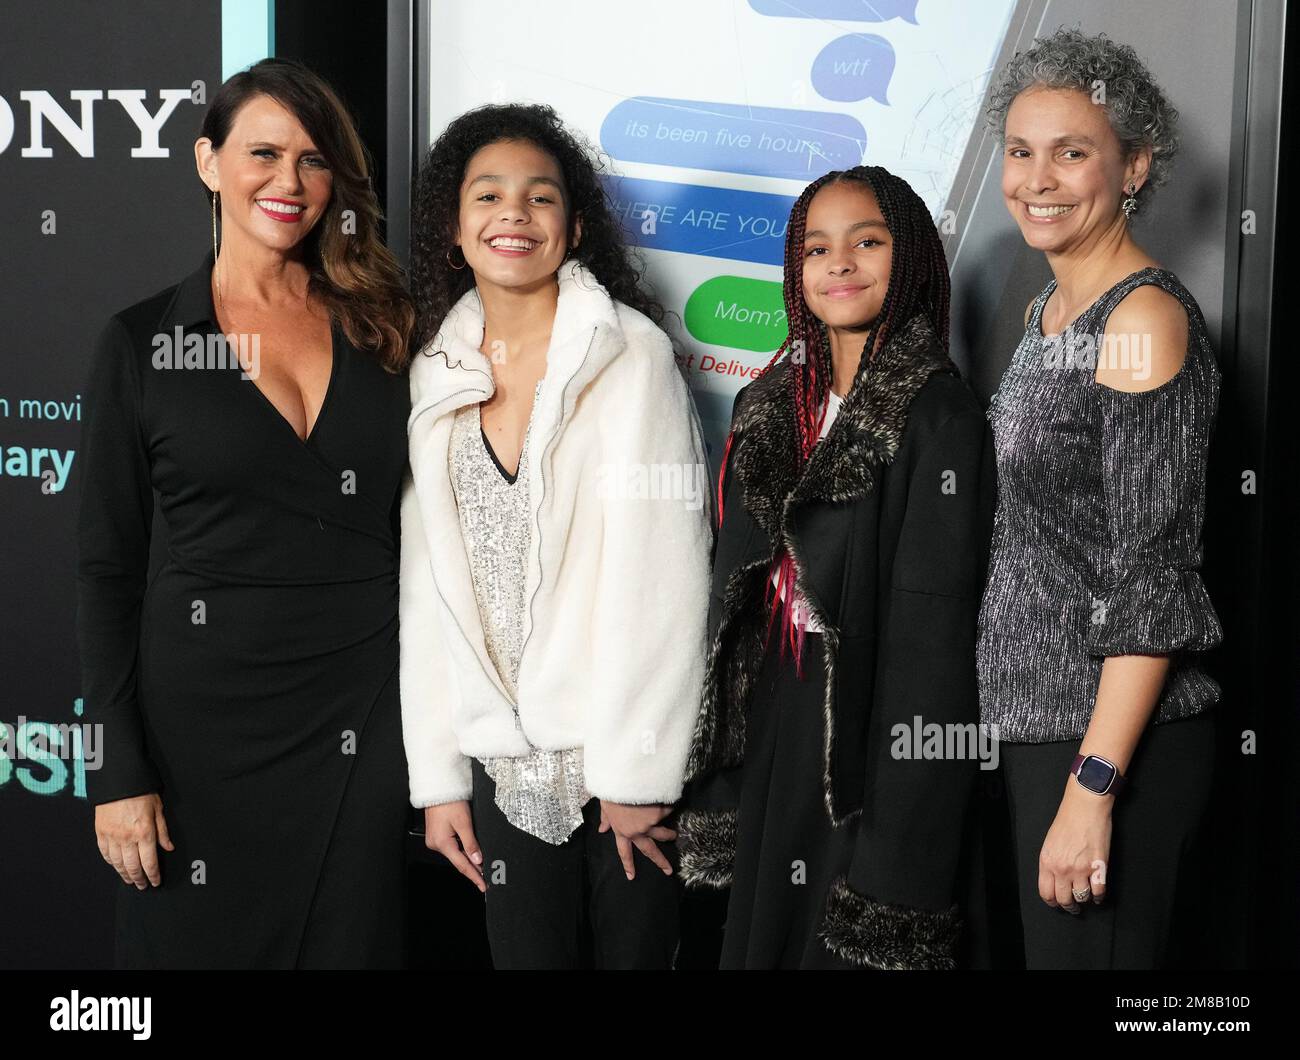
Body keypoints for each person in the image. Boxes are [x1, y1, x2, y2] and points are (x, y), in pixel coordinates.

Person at [78, 58, 415, 968]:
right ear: (206, 163)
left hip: (366, 716)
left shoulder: (388, 327)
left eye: (313, 161)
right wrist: (119, 771)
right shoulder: (144, 343)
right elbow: (107, 569)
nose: (289, 182)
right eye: (263, 152)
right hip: (200, 738)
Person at [400, 103, 712, 969]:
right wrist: (440, 782)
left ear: (572, 229)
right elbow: (427, 595)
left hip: (618, 767)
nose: (513, 214)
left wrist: (636, 775)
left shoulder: (631, 357)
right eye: (488, 195)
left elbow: (665, 579)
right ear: (455, 228)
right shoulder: (436, 372)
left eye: (540, 199)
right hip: (500, 771)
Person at [676, 165, 995, 969]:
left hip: (868, 724)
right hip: (778, 709)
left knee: (838, 937)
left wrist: (906, 831)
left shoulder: (939, 415)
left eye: (868, 241)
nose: (840, 263)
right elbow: (730, 604)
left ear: (912, 254)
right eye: (818, 247)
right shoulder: (771, 402)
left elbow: (934, 642)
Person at [977, 27, 1222, 969]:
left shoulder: (1142, 319)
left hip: (1111, 743)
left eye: (1072, 152)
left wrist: (1092, 789)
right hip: (1041, 727)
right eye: (1020, 151)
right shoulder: (1051, 312)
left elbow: (1152, 578)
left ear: (1135, 166)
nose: (1037, 179)